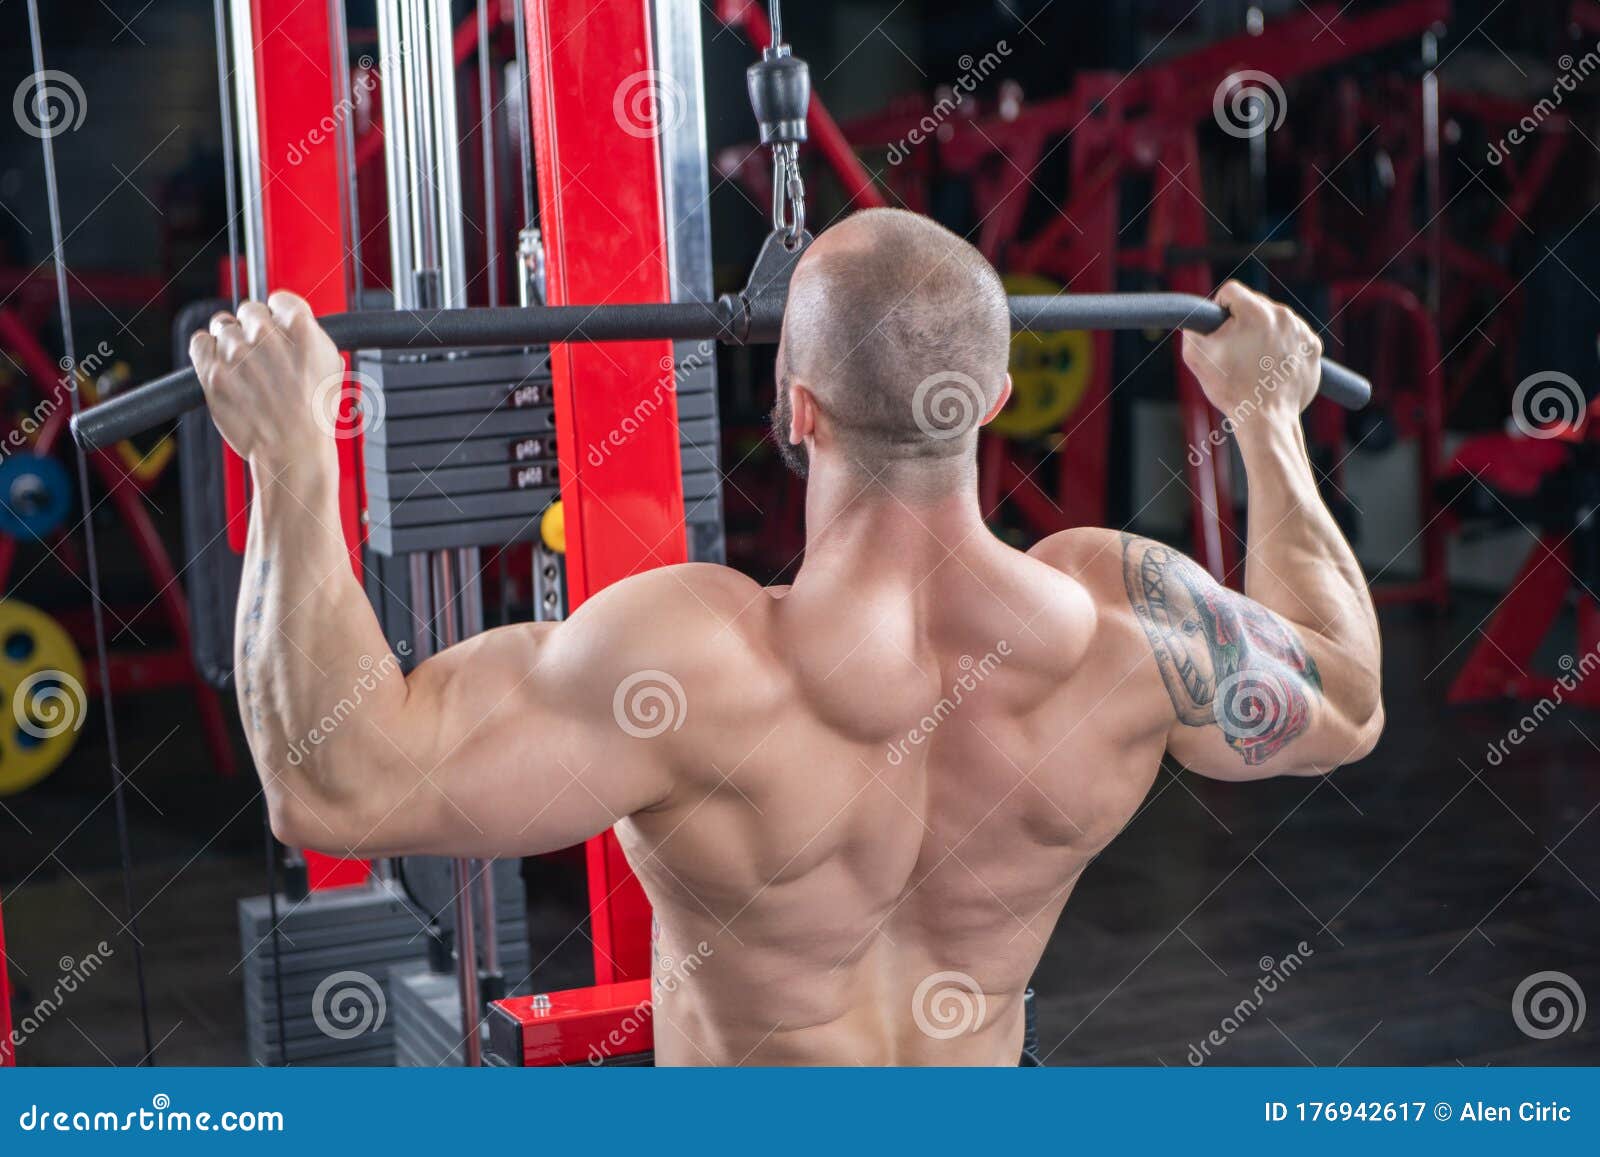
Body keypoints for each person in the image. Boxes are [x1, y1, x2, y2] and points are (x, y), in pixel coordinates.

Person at [191, 207, 1382, 1066]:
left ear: (795, 410)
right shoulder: (1123, 621)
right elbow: (1344, 701)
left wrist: (291, 456)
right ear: (998, 395)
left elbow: (334, 788)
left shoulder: (692, 659)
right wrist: (1266, 417)